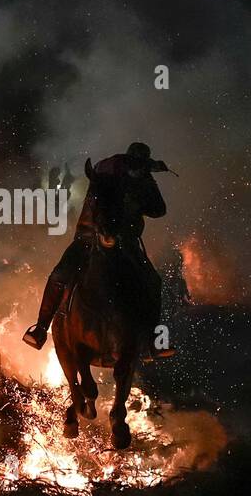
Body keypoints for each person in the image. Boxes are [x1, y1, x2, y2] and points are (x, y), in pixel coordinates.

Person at [23, 142, 171, 357]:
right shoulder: (106, 174)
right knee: (59, 274)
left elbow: (160, 210)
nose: (137, 169)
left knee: (153, 281)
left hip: (126, 242)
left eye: (141, 166)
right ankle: (40, 328)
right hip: (88, 237)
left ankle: (154, 339)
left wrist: (142, 193)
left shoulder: (143, 181)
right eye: (136, 164)